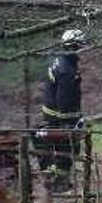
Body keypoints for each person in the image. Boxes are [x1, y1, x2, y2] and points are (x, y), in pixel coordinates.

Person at [38, 29, 86, 189]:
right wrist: (73, 122)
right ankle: (59, 183)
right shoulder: (67, 70)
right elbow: (65, 100)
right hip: (60, 117)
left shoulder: (60, 61)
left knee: (59, 147)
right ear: (74, 46)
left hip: (50, 113)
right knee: (68, 147)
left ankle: (55, 178)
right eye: (80, 46)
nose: (82, 49)